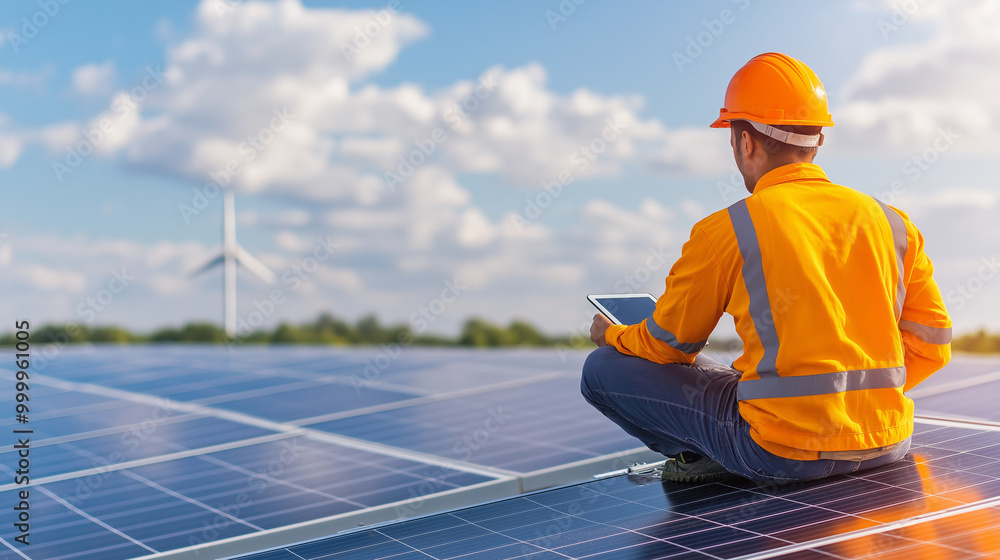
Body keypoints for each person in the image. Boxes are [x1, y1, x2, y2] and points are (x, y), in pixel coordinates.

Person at [581, 52, 952, 484]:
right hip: (888, 442)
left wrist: (611, 334)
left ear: (746, 143)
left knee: (601, 370)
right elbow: (933, 344)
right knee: (736, 372)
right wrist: (855, 409)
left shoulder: (727, 229)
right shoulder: (892, 222)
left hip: (780, 452)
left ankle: (700, 455)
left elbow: (667, 347)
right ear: (817, 142)